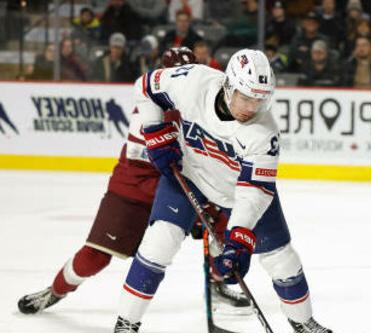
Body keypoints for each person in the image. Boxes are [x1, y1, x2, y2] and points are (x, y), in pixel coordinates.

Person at [106, 48, 340, 333]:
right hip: (188, 176)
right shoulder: (193, 81)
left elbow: (253, 192)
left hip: (238, 191)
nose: (252, 107)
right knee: (158, 243)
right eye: (245, 98)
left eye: (260, 100)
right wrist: (154, 130)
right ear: (228, 86)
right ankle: (127, 322)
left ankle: (302, 323)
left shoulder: (264, 133)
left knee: (282, 259)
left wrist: (238, 240)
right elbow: (145, 87)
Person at [17, 48, 245, 315]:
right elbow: (147, 162)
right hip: (134, 188)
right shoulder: (149, 107)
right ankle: (54, 291)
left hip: (176, 184)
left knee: (219, 222)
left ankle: (217, 284)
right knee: (96, 257)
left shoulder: (199, 101)